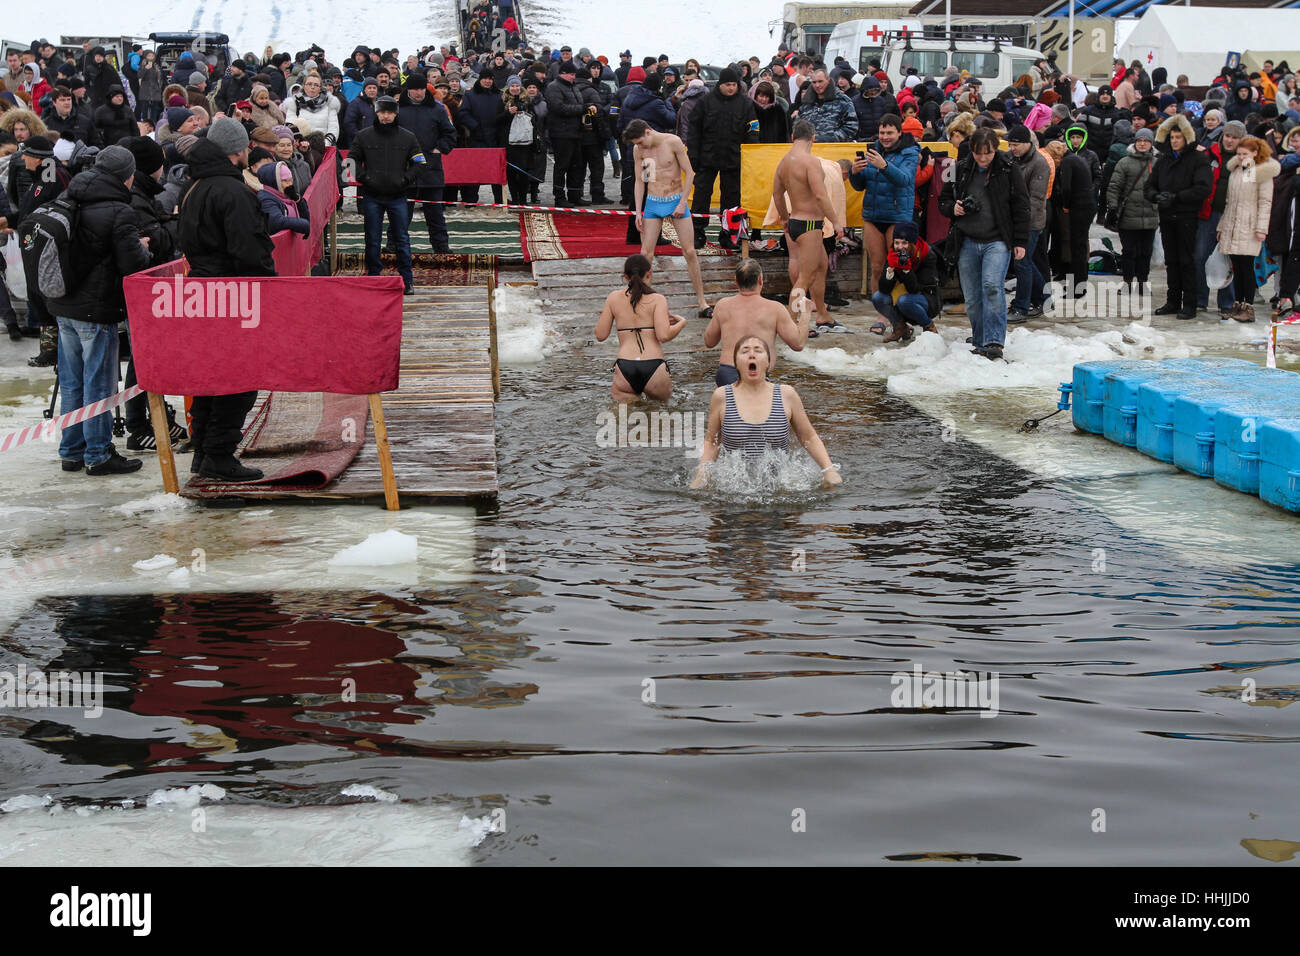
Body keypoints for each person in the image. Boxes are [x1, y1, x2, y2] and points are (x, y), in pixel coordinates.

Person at [177, 117, 276, 481]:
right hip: (233, 293)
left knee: (210, 375)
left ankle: (204, 449)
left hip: (202, 291)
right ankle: (218, 453)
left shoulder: (194, 186)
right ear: (237, 149)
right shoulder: (232, 191)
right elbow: (248, 249)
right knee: (238, 377)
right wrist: (269, 286)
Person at [45, 146, 151, 475]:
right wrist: (144, 247)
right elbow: (131, 262)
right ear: (128, 176)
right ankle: (98, 453)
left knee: (73, 381)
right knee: (99, 384)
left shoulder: (69, 194)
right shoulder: (119, 210)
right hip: (95, 308)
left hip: (63, 304)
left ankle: (72, 450)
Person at [691, 335, 840, 489]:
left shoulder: (786, 394)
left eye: (758, 350)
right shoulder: (722, 396)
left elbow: (808, 437)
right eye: (745, 351)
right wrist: (702, 477)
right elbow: (711, 442)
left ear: (768, 362)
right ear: (736, 363)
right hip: (735, 486)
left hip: (780, 487)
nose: (752, 354)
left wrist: (829, 470)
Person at [938, 127, 1029, 361]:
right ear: (972, 151)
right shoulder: (960, 169)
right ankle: (980, 340)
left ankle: (994, 341)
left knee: (992, 286)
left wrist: (1020, 241)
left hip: (997, 239)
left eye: (987, 153)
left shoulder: (1008, 170)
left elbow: (1021, 205)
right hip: (967, 239)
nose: (983, 158)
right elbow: (943, 200)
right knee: (972, 296)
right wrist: (953, 208)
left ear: (995, 149)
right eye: (979, 153)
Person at [623, 118, 711, 317]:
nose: (638, 146)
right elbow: (639, 181)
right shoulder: (640, 151)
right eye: (635, 144)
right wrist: (638, 211)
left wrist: (682, 203)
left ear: (648, 132)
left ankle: (702, 302)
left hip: (675, 198)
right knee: (646, 254)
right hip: (653, 202)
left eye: (639, 142)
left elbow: (689, 173)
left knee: (689, 251)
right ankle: (644, 301)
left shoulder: (672, 142)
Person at [773, 120, 845, 333]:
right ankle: (790, 325)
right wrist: (836, 221)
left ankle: (822, 315)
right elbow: (821, 196)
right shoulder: (810, 162)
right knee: (804, 278)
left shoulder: (783, 162)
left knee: (820, 268)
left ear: (793, 137)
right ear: (813, 138)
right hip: (810, 224)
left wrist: (785, 218)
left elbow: (777, 194)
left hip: (796, 221)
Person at [351, 95, 425, 294]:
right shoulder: (363, 136)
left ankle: (406, 280)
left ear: (395, 114)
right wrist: (365, 179)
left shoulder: (408, 137)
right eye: (382, 112)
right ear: (376, 112)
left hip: (398, 196)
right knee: (372, 239)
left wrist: (405, 180)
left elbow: (420, 163)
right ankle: (374, 278)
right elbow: (348, 162)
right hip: (372, 196)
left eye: (389, 112)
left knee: (402, 238)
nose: (385, 116)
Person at [1146, 113, 1212, 319]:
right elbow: (1149, 186)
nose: (1174, 141)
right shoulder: (1164, 160)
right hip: (1167, 216)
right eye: (1172, 137)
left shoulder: (1198, 159)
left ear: (1186, 138)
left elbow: (1203, 188)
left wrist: (1176, 197)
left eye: (1178, 137)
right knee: (1171, 261)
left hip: (1186, 216)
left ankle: (1189, 304)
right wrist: (1157, 196)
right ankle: (1172, 301)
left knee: (1187, 260)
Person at [849, 113, 918, 308]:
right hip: (873, 215)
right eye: (881, 133)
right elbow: (860, 185)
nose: (885, 137)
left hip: (897, 216)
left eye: (889, 133)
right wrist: (855, 173)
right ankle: (882, 314)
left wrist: (885, 166)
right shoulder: (874, 150)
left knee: (897, 265)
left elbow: (905, 179)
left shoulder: (910, 152)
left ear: (899, 132)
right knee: (877, 267)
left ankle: (900, 312)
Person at [593, 254, 685, 402]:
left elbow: (600, 335)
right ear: (649, 273)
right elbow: (664, 335)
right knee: (662, 419)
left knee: (624, 422)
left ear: (625, 276)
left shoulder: (613, 298)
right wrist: (682, 322)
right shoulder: (657, 299)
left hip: (625, 367)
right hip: (654, 366)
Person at [702, 259, 806, 385]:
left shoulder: (723, 305)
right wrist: (806, 312)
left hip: (727, 373)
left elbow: (709, 342)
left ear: (736, 281)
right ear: (760, 280)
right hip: (756, 373)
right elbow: (798, 344)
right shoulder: (775, 308)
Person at [686, 67, 758, 250]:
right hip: (706, 158)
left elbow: (753, 130)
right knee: (701, 196)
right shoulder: (705, 102)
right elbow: (693, 131)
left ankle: (728, 234)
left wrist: (749, 155)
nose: (731, 88)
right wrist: (692, 156)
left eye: (734, 85)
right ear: (720, 84)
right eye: (728, 85)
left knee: (732, 199)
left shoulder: (746, 104)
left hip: (733, 158)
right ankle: (697, 232)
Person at [1218, 135, 1279, 322]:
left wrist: (1262, 228)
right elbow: (1230, 201)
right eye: (1239, 153)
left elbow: (1265, 202)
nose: (1241, 156)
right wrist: (1222, 226)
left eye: (1245, 153)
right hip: (1233, 224)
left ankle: (1248, 305)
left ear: (1255, 153)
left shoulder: (1261, 173)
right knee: (1236, 266)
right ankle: (1237, 303)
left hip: (1250, 225)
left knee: (1247, 267)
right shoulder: (1237, 169)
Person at [1194, 119, 1245, 315]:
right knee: (1200, 256)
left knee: (1228, 260)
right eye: (1228, 136)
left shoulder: (1246, 160)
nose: (1230, 140)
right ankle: (1200, 299)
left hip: (1232, 216)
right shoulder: (1209, 153)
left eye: (1235, 137)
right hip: (1208, 213)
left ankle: (1226, 302)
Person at [1106, 127, 1159, 297]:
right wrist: (1112, 207)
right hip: (1128, 215)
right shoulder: (1125, 162)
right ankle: (1127, 281)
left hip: (1150, 215)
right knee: (1129, 251)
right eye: (1139, 140)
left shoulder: (1157, 163)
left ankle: (1143, 282)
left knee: (1145, 252)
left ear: (1151, 143)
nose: (1142, 144)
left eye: (1146, 141)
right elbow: (1114, 187)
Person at [1006, 125, 1051, 318]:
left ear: (1027, 144)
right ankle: (1044, 297)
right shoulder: (1010, 159)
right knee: (1026, 261)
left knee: (1022, 262)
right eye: (1010, 144)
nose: (1012, 148)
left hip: (1030, 222)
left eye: (1015, 145)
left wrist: (1021, 224)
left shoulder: (1039, 163)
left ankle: (1022, 306)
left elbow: (1035, 199)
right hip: (1014, 219)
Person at [872, 220, 941, 343]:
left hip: (925, 298)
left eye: (904, 243)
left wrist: (906, 270)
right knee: (878, 297)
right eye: (897, 242)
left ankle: (929, 326)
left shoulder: (927, 255)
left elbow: (916, 289)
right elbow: (884, 289)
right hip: (903, 297)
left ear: (912, 243)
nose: (900, 247)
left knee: (904, 301)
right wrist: (890, 271)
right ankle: (900, 328)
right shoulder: (893, 254)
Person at [1046, 136, 1096, 297]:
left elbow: (1066, 187)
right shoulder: (1076, 159)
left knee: (1077, 247)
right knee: (1080, 245)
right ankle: (1078, 283)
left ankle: (1078, 288)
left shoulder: (1067, 162)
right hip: (1087, 205)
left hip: (1079, 206)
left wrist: (1065, 205)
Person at [790, 69, 857, 143]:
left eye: (820, 81)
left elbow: (851, 127)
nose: (817, 85)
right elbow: (797, 127)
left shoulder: (842, 101)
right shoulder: (806, 104)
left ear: (828, 80)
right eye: (814, 82)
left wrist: (828, 139)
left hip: (833, 149)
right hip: (808, 149)